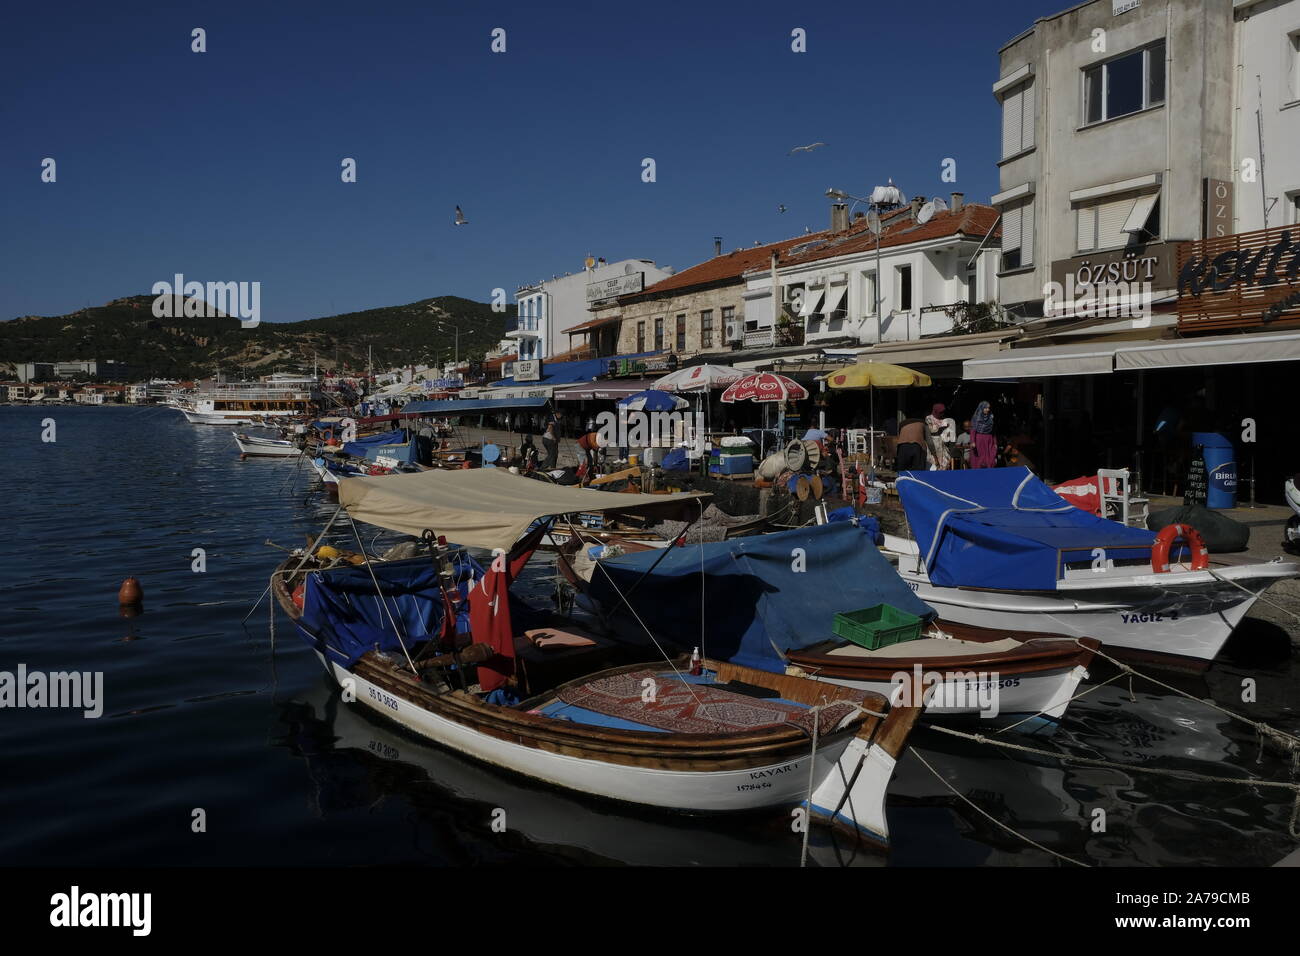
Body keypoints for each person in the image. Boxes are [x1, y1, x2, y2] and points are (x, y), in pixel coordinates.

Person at [925, 403, 952, 470]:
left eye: (943, 412)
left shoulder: (943, 419)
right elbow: (931, 430)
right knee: (934, 462)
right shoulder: (929, 418)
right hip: (933, 442)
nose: (942, 414)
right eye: (940, 412)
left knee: (944, 462)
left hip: (941, 442)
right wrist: (941, 428)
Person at [969, 401, 997, 468]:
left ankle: (989, 473)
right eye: (986, 408)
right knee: (980, 458)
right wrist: (973, 441)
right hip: (979, 440)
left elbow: (993, 431)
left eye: (988, 408)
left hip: (989, 440)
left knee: (990, 457)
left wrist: (995, 442)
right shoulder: (976, 417)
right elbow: (973, 430)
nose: (988, 409)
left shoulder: (991, 417)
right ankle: (978, 474)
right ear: (981, 408)